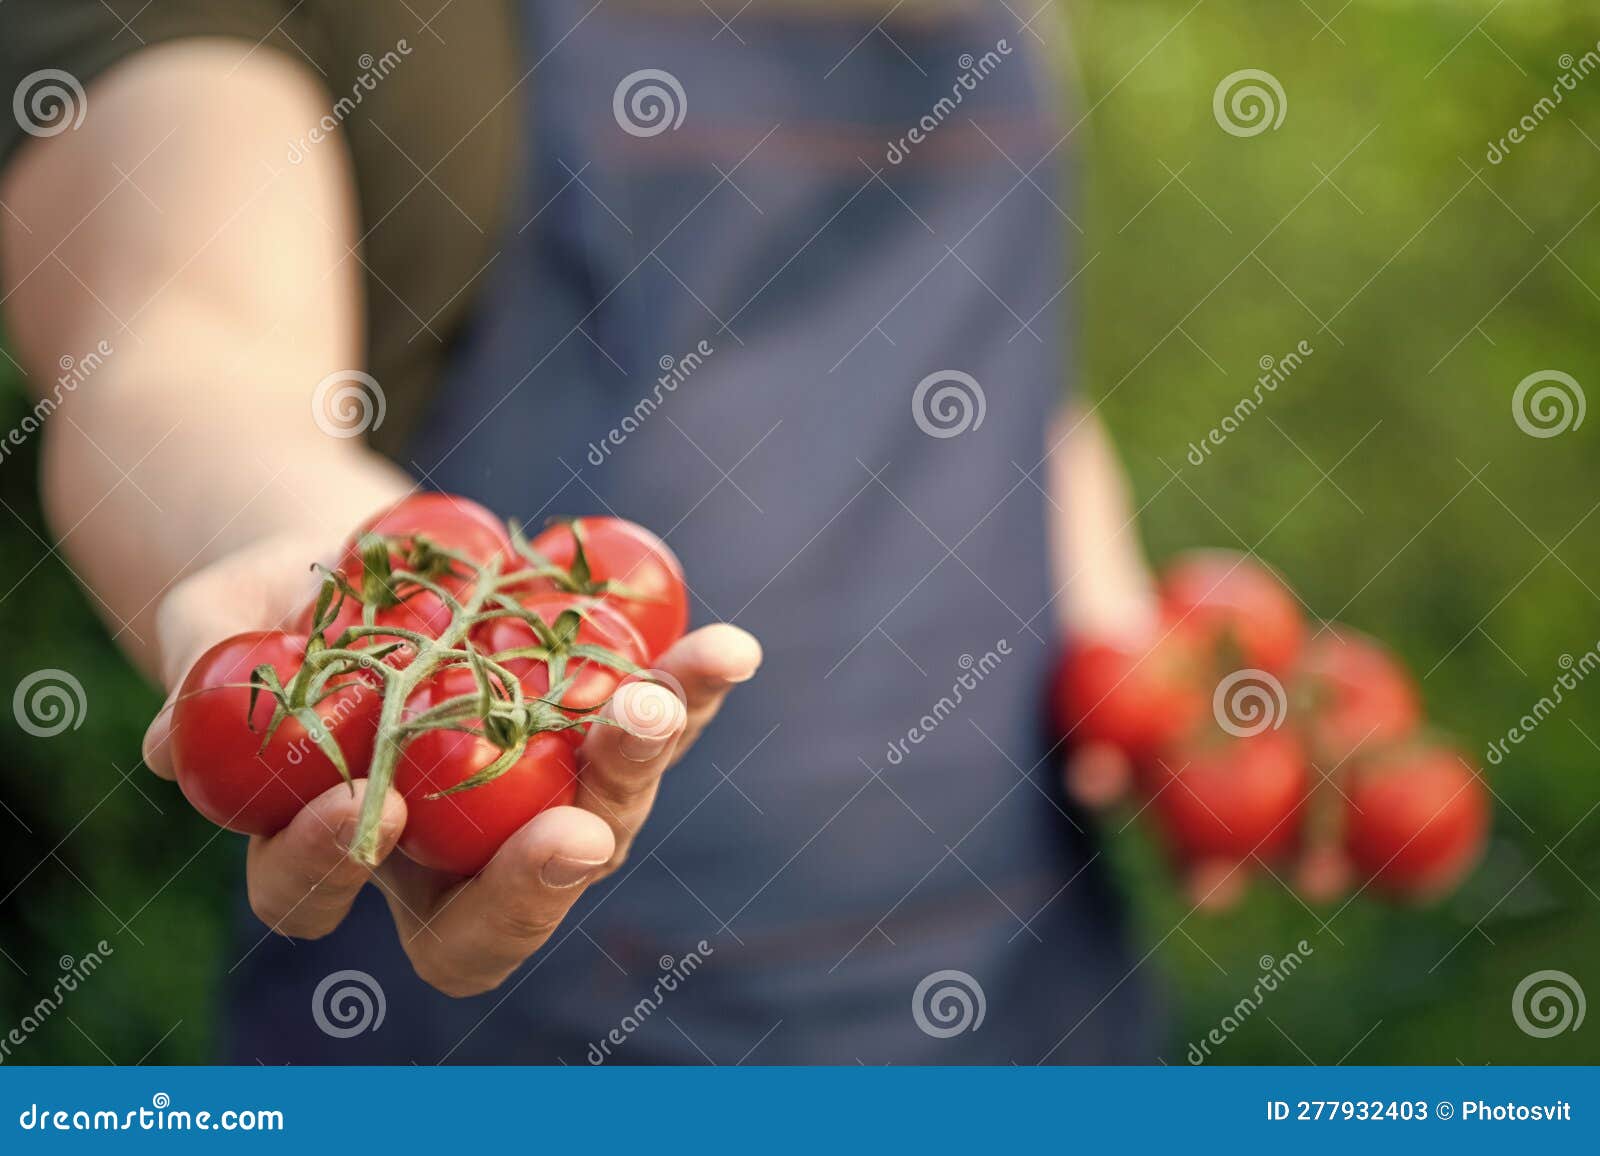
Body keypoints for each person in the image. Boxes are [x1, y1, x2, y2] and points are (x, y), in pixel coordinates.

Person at [0, 1, 1168, 1063]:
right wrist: (326, 553)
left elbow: (999, 383)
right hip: (516, 1052)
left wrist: (1138, 670)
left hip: (1036, 1000)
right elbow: (176, 355)